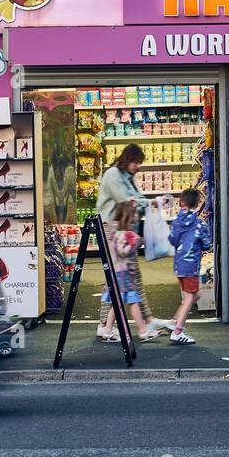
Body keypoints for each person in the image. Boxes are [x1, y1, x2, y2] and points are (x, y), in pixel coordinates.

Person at [95, 145, 169, 338]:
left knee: (129, 276)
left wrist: (149, 204)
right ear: (128, 159)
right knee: (117, 277)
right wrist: (150, 203)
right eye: (137, 162)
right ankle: (106, 324)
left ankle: (144, 321)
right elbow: (127, 200)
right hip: (112, 228)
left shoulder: (128, 176)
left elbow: (137, 200)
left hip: (124, 229)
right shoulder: (113, 175)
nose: (138, 167)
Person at [100, 200, 159, 342]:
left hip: (119, 274)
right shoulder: (125, 235)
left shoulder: (117, 234)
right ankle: (142, 331)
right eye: (134, 215)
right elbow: (123, 252)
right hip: (124, 276)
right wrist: (134, 244)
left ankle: (108, 330)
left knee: (118, 303)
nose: (137, 218)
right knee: (133, 302)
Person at [168, 187, 211, 345]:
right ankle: (178, 331)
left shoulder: (176, 222)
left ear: (181, 202)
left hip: (179, 265)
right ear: (198, 203)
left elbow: (172, 240)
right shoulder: (200, 224)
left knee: (190, 296)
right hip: (191, 265)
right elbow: (207, 244)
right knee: (191, 297)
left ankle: (174, 322)